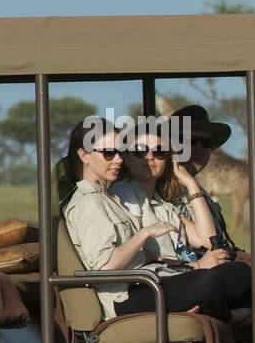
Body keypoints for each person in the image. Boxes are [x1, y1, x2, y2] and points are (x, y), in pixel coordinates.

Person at [60, 117, 244, 323]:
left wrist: (191, 184)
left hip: (147, 283)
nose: (118, 159)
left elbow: (206, 240)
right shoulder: (92, 202)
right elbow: (104, 268)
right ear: (84, 155)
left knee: (239, 273)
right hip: (126, 294)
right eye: (109, 153)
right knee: (212, 281)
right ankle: (229, 321)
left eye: (120, 152)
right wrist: (146, 234)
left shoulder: (111, 198)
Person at [169, 104, 244, 258]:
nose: (198, 148)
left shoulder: (199, 190)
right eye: (190, 141)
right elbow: (207, 244)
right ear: (171, 145)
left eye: (207, 143)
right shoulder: (162, 192)